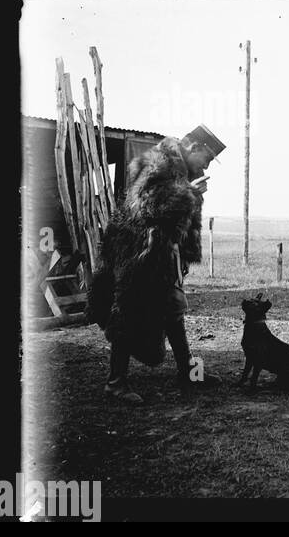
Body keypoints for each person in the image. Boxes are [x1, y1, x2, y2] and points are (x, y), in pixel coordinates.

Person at [87, 125, 226, 404]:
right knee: (127, 311)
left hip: (162, 252)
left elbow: (179, 217)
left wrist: (183, 251)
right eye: (207, 159)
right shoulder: (156, 161)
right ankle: (115, 383)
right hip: (137, 252)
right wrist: (188, 192)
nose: (206, 166)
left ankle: (189, 371)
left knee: (173, 308)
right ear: (193, 147)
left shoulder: (184, 170)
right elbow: (144, 205)